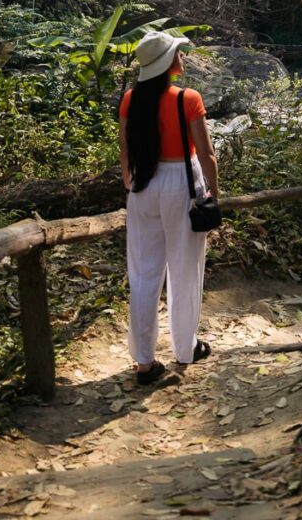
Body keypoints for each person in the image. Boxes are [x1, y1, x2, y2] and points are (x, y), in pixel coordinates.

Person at [118, 30, 219, 386]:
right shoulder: (187, 99)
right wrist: (213, 195)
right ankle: (185, 348)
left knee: (144, 275)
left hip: (142, 185)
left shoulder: (131, 99)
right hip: (182, 184)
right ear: (168, 63)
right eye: (178, 52)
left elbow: (125, 151)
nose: (182, 56)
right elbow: (206, 154)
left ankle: (144, 362)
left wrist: (130, 187)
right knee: (185, 269)